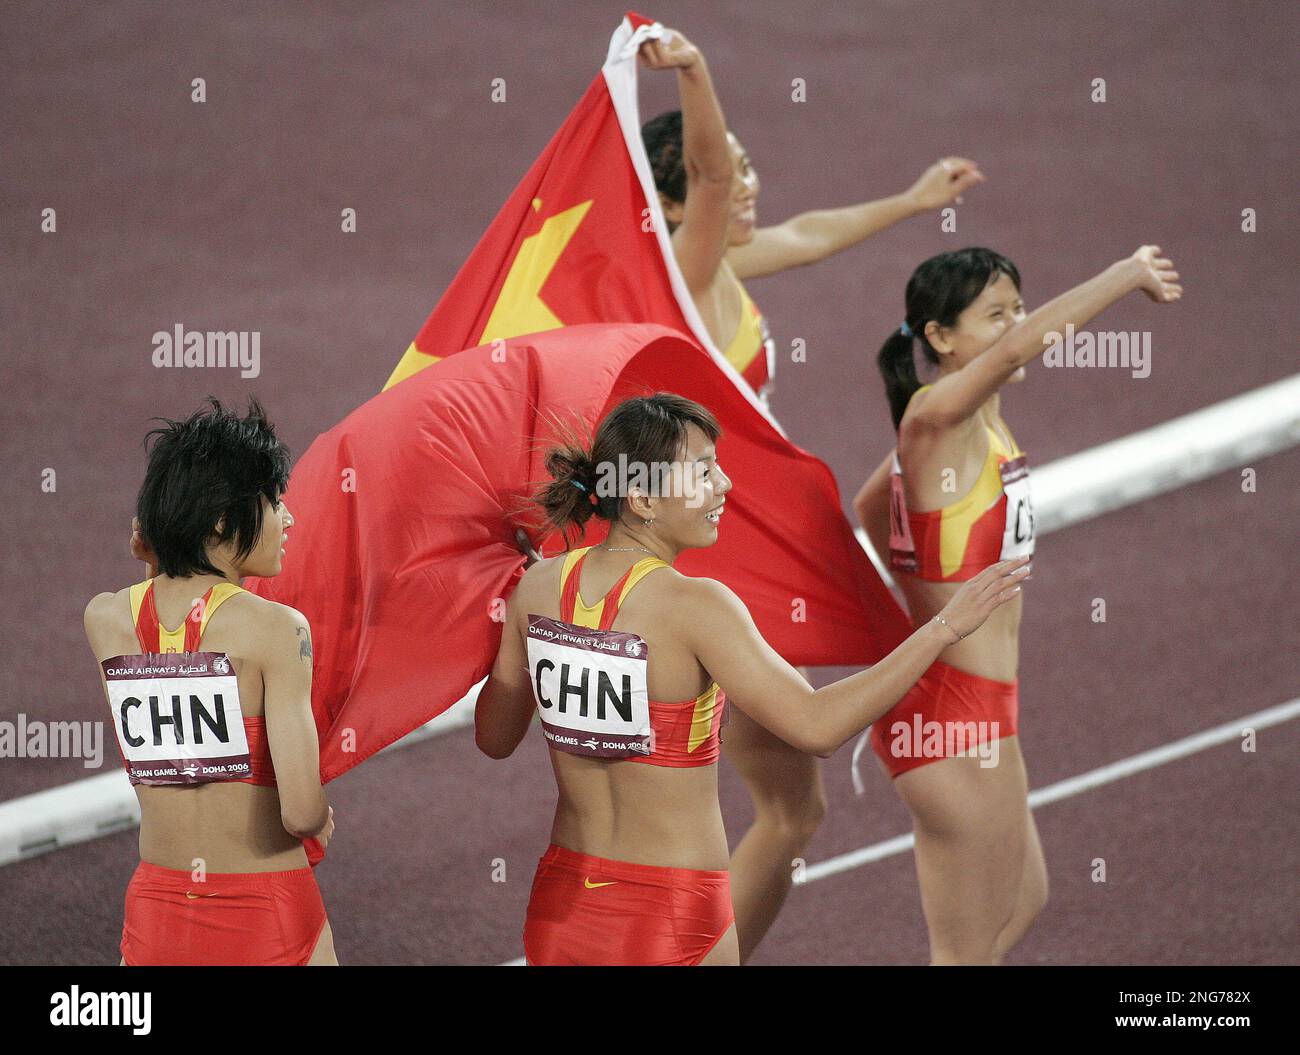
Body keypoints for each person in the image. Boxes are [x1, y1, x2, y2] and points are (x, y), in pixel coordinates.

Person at [637, 25, 985, 961]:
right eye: (732, 170)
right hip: (729, 563)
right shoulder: (688, 270)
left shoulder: (712, 270)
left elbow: (807, 234)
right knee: (786, 810)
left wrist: (912, 201)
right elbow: (712, 182)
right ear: (669, 203)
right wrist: (701, 71)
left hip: (723, 550)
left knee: (788, 809)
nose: (748, 183)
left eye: (752, 164)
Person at [475, 392, 1029, 965]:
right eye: (703, 470)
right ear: (640, 497)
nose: (725, 485)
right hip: (670, 915)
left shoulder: (535, 591)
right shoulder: (697, 606)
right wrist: (942, 628)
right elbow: (817, 727)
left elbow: (494, 739)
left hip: (562, 907)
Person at [853, 245, 1182, 964]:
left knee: (1026, 895)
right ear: (940, 337)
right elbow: (1020, 352)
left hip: (984, 703)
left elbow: (871, 505)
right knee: (965, 954)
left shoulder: (973, 427)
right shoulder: (935, 416)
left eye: (1018, 309)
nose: (1016, 326)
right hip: (951, 715)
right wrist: (1124, 273)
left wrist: (916, 583)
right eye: (995, 314)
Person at [84, 397, 338, 966]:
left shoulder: (103, 619)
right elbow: (298, 812)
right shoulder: (278, 630)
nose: (287, 518)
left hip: (158, 911)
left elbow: (172, 656)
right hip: (267, 913)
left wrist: (158, 557)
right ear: (223, 520)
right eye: (274, 502)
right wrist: (322, 821)